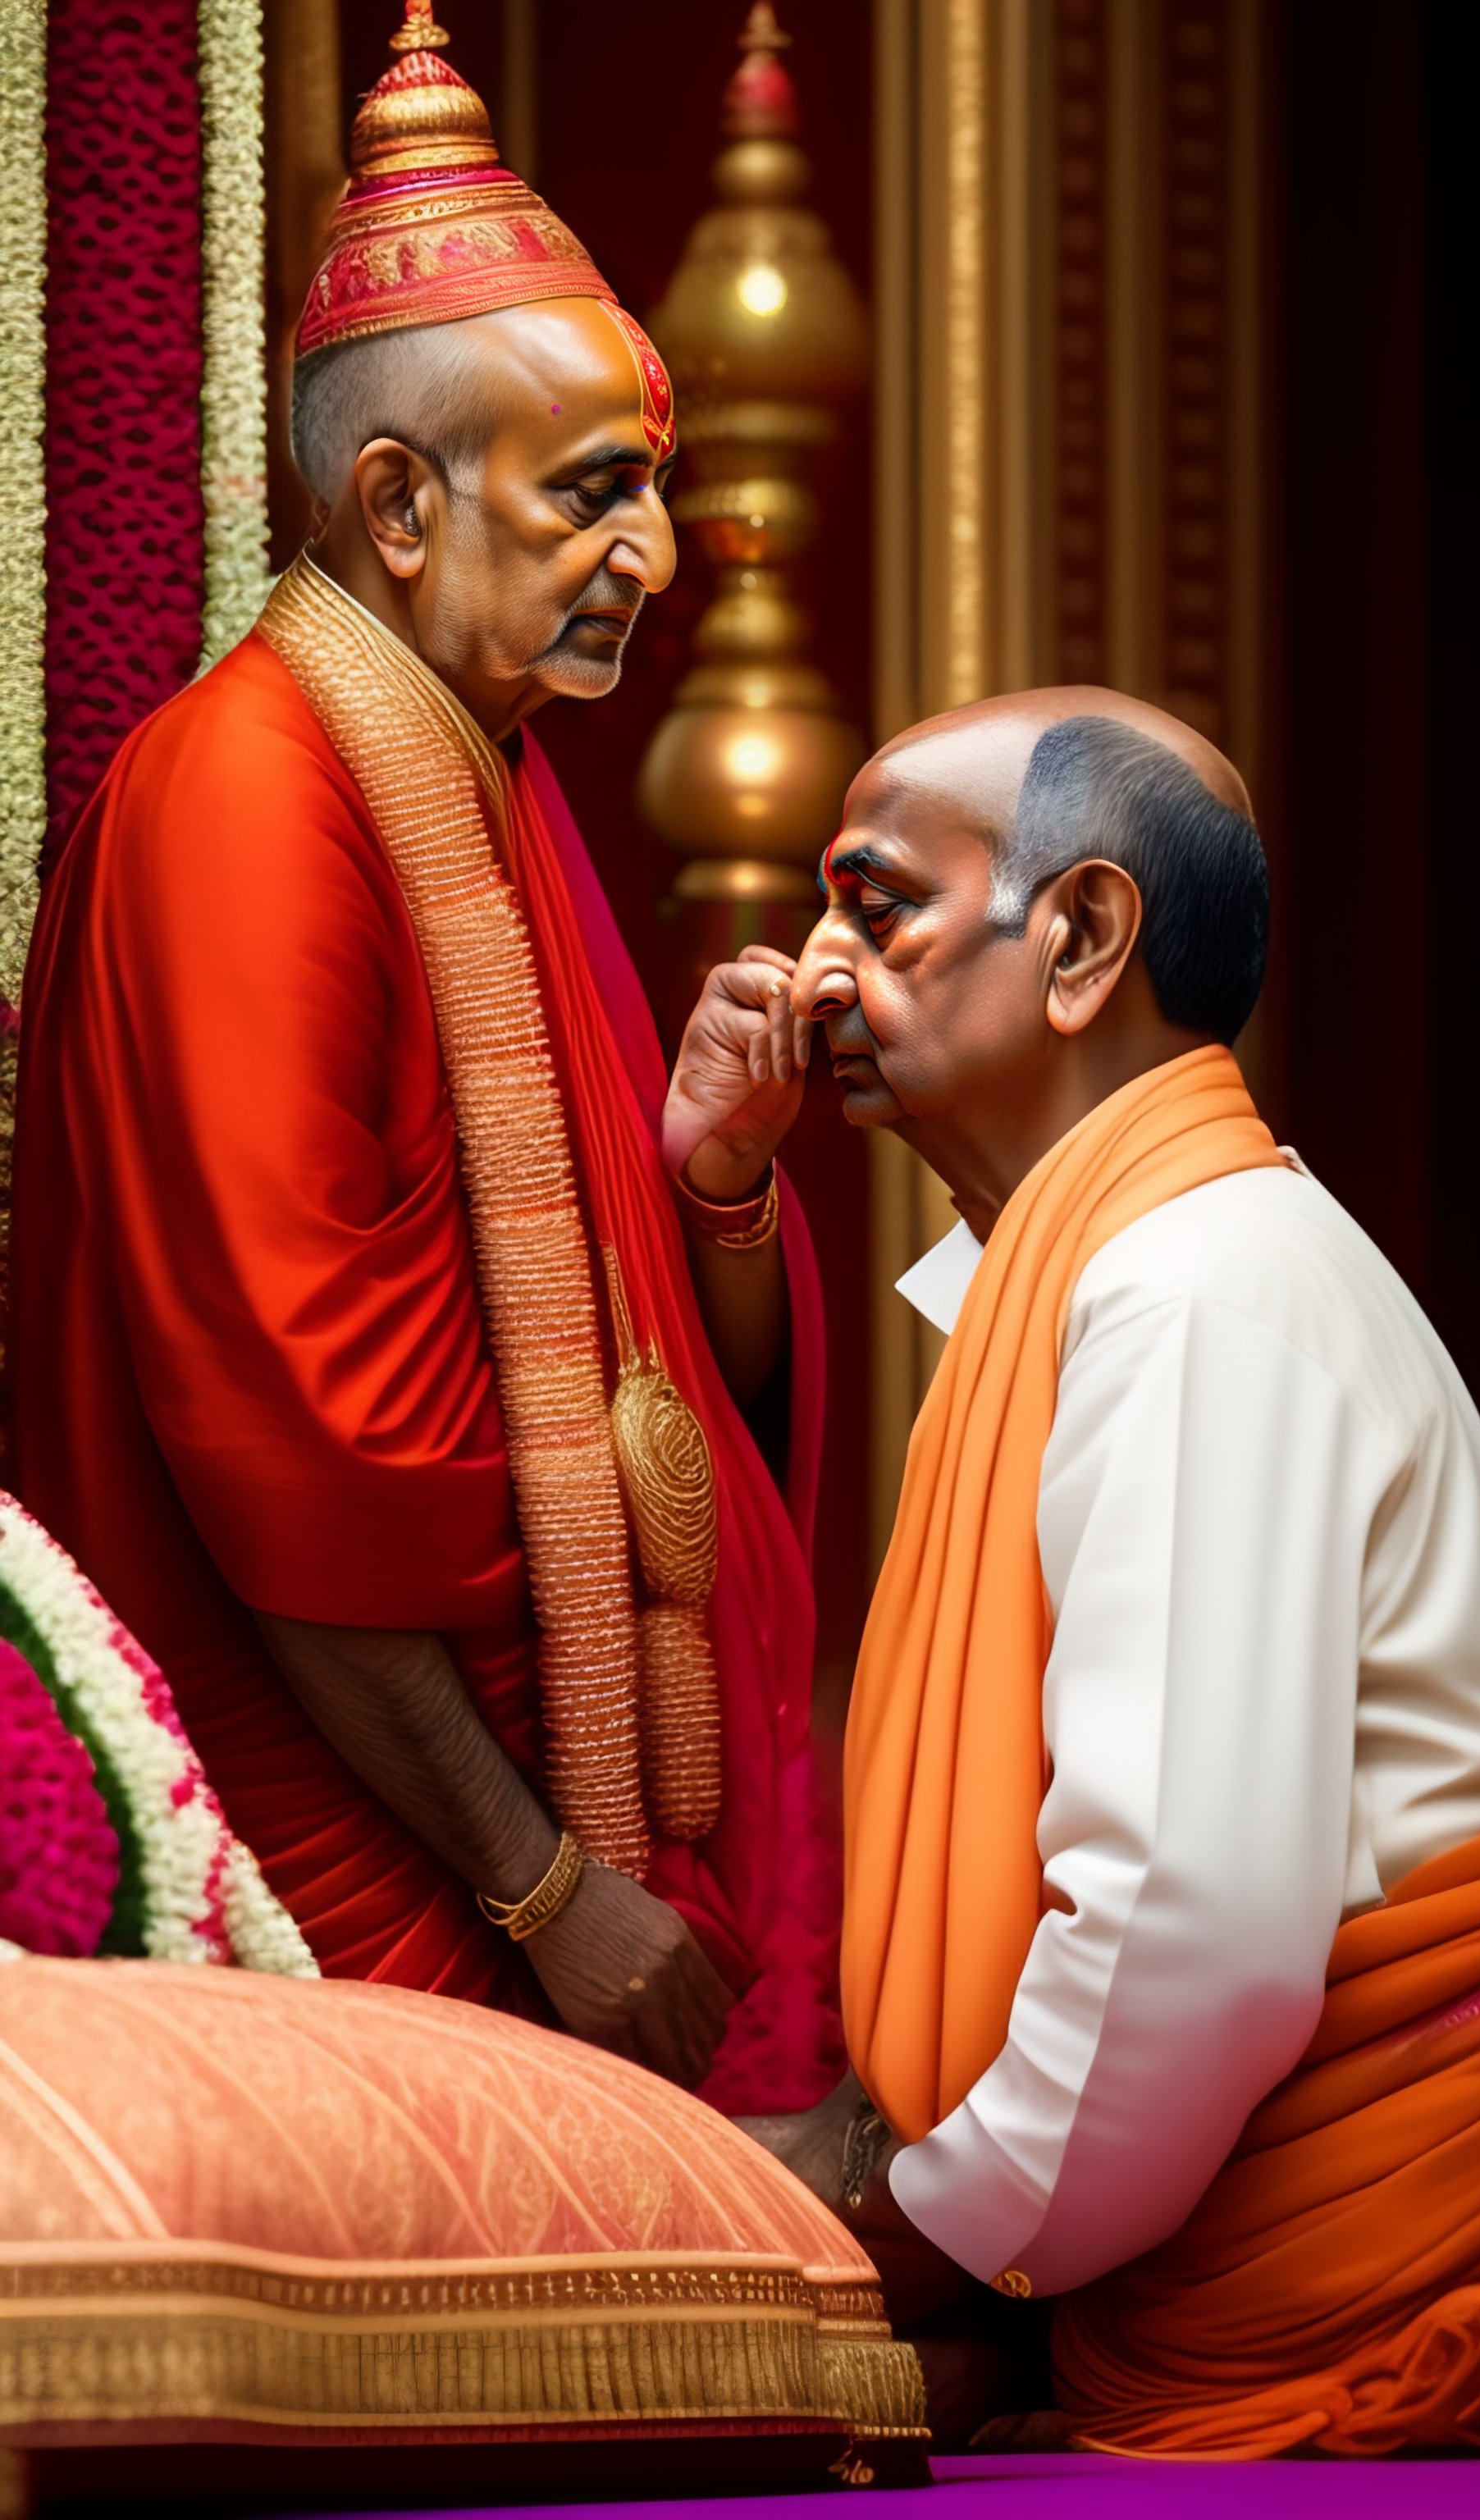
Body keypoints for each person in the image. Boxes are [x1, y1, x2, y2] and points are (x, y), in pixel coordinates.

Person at [10, 2, 838, 2113]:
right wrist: (549, 1888)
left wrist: (718, 1197)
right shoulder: (245, 799)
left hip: (531, 1831)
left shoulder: (471, 771)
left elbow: (629, 1375)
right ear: (395, 501)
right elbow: (297, 1447)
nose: (650, 559)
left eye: (650, 494)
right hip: (377, 1847)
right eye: (592, 497)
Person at [742, 685, 1480, 2456]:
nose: (811, 968)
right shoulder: (1142, 1271)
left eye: (875, 908)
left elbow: (1191, 1927)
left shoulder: (1192, 1290)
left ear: (1084, 936)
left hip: (1428, 2179)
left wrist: (917, 2240)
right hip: (1272, 2172)